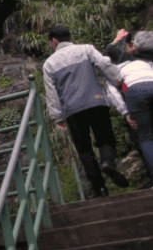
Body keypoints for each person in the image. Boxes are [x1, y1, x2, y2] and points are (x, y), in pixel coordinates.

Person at [42, 25, 129, 197]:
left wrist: (57, 116)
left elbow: (51, 93)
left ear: (54, 42)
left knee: (84, 150)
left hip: (73, 110)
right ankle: (107, 163)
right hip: (96, 102)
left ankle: (100, 189)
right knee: (105, 138)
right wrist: (118, 79)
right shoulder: (86, 49)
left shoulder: (49, 64)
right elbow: (104, 63)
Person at [116, 31, 153, 181]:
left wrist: (126, 111)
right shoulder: (148, 62)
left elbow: (114, 86)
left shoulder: (122, 62)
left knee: (145, 137)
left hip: (134, 92)